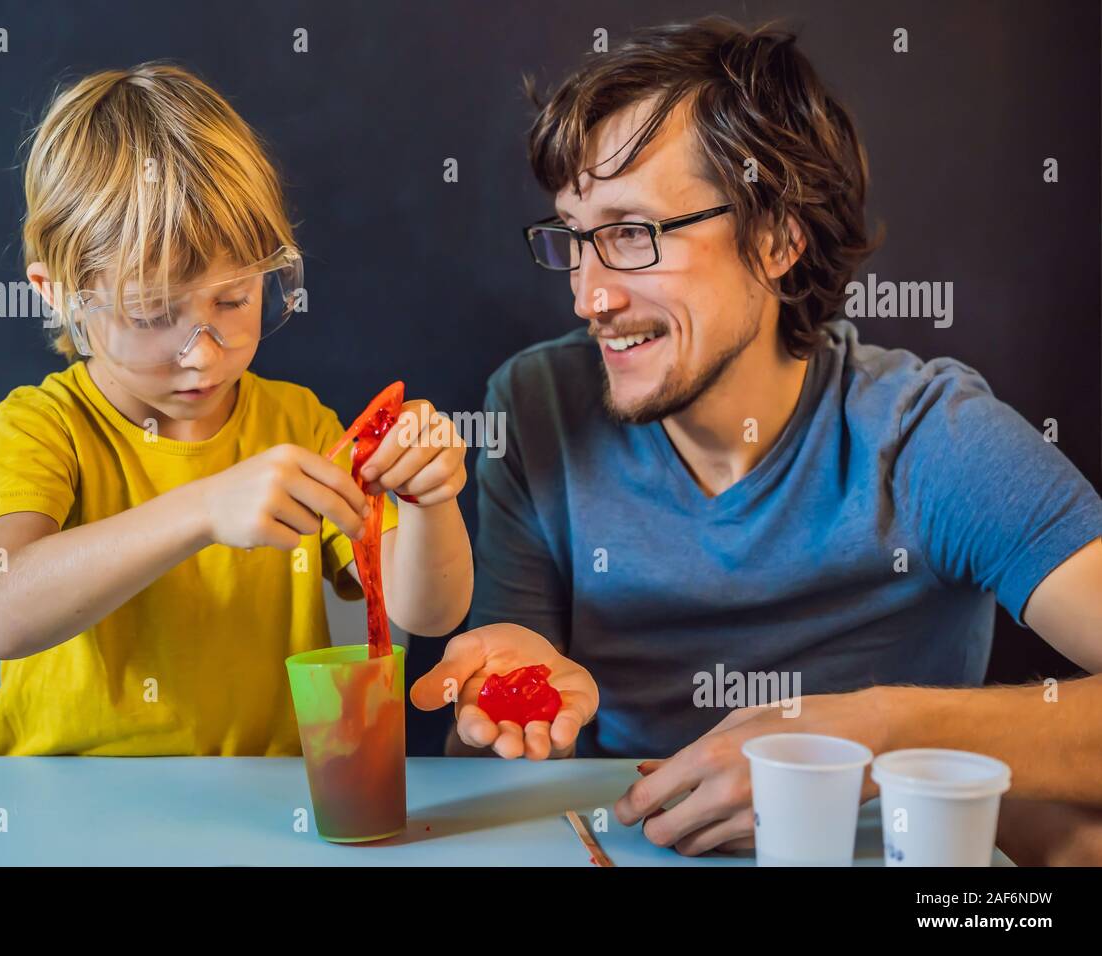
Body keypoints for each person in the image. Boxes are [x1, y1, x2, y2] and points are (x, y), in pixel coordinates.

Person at [413, 18, 1102, 860]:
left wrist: (880, 734)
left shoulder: (932, 439)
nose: (588, 297)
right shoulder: (534, 406)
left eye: (634, 234)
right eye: (575, 238)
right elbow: (487, 770)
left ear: (777, 239)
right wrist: (508, 713)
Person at [0, 63, 472, 757]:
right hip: (68, 805)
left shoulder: (301, 426)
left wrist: (430, 503)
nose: (203, 353)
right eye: (151, 313)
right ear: (58, 295)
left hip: (266, 807)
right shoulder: (44, 425)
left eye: (233, 301)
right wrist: (203, 510)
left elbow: (429, 611)